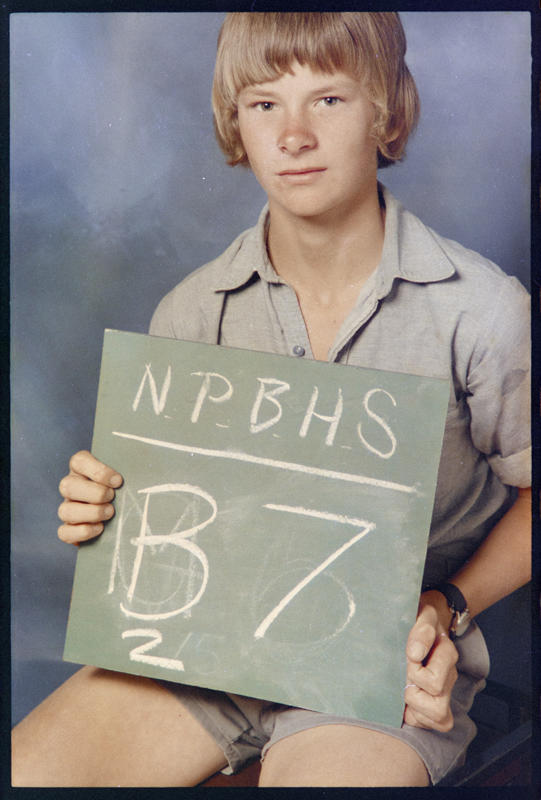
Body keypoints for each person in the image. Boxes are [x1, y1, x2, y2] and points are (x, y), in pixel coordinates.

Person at [12, 12, 531, 787]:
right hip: (202, 655)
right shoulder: (193, 311)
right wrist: (103, 509)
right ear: (237, 122)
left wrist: (445, 603)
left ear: (383, 111)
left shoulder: (480, 311)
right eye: (263, 104)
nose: (292, 136)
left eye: (327, 100)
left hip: (379, 674)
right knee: (26, 774)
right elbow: (169, 527)